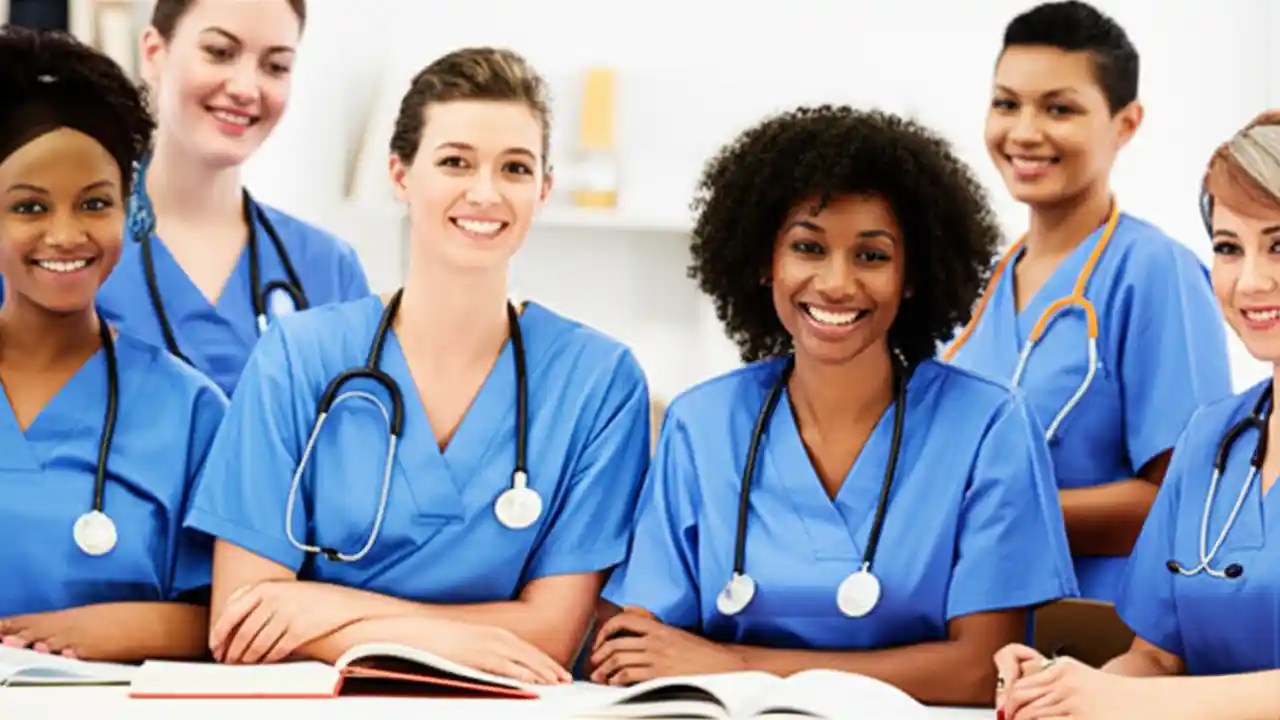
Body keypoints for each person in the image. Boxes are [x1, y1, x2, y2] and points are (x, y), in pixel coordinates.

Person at [183, 47, 652, 683]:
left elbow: (553, 634)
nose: (484, 192)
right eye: (455, 161)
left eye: (515, 168)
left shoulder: (598, 381)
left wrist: (325, 607)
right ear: (400, 175)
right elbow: (240, 619)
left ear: (543, 190)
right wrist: (451, 639)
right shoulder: (298, 357)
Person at [589, 105, 1078, 706]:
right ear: (764, 262)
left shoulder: (988, 426)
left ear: (913, 275)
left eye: (872, 256)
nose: (837, 284)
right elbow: (639, 644)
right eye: (807, 247)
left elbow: (983, 671)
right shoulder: (702, 424)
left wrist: (737, 665)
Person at [990, 111, 1280, 720]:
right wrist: (1061, 688)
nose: (1251, 281)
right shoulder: (1211, 439)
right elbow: (1155, 660)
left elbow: (1149, 695)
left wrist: (1128, 698)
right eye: (1229, 248)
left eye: (1279, 246)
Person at [943, 0, 1232, 603]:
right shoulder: (979, 286)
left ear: (1126, 124)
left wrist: (987, 515)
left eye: (1060, 109)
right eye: (1006, 104)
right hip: (973, 616)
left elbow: (1184, 499)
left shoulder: (1155, 272)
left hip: (1098, 628)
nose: (1025, 132)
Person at [0, 27, 227, 661]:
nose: (65, 234)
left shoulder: (191, 412)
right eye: (29, 208)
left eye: (95, 204)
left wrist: (119, 630)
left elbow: (233, 616)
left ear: (131, 208)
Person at [96, 0, 370, 397]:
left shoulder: (328, 270)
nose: (245, 88)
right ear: (154, 53)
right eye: (219, 52)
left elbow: (357, 425)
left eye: (275, 66)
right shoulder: (69, 247)